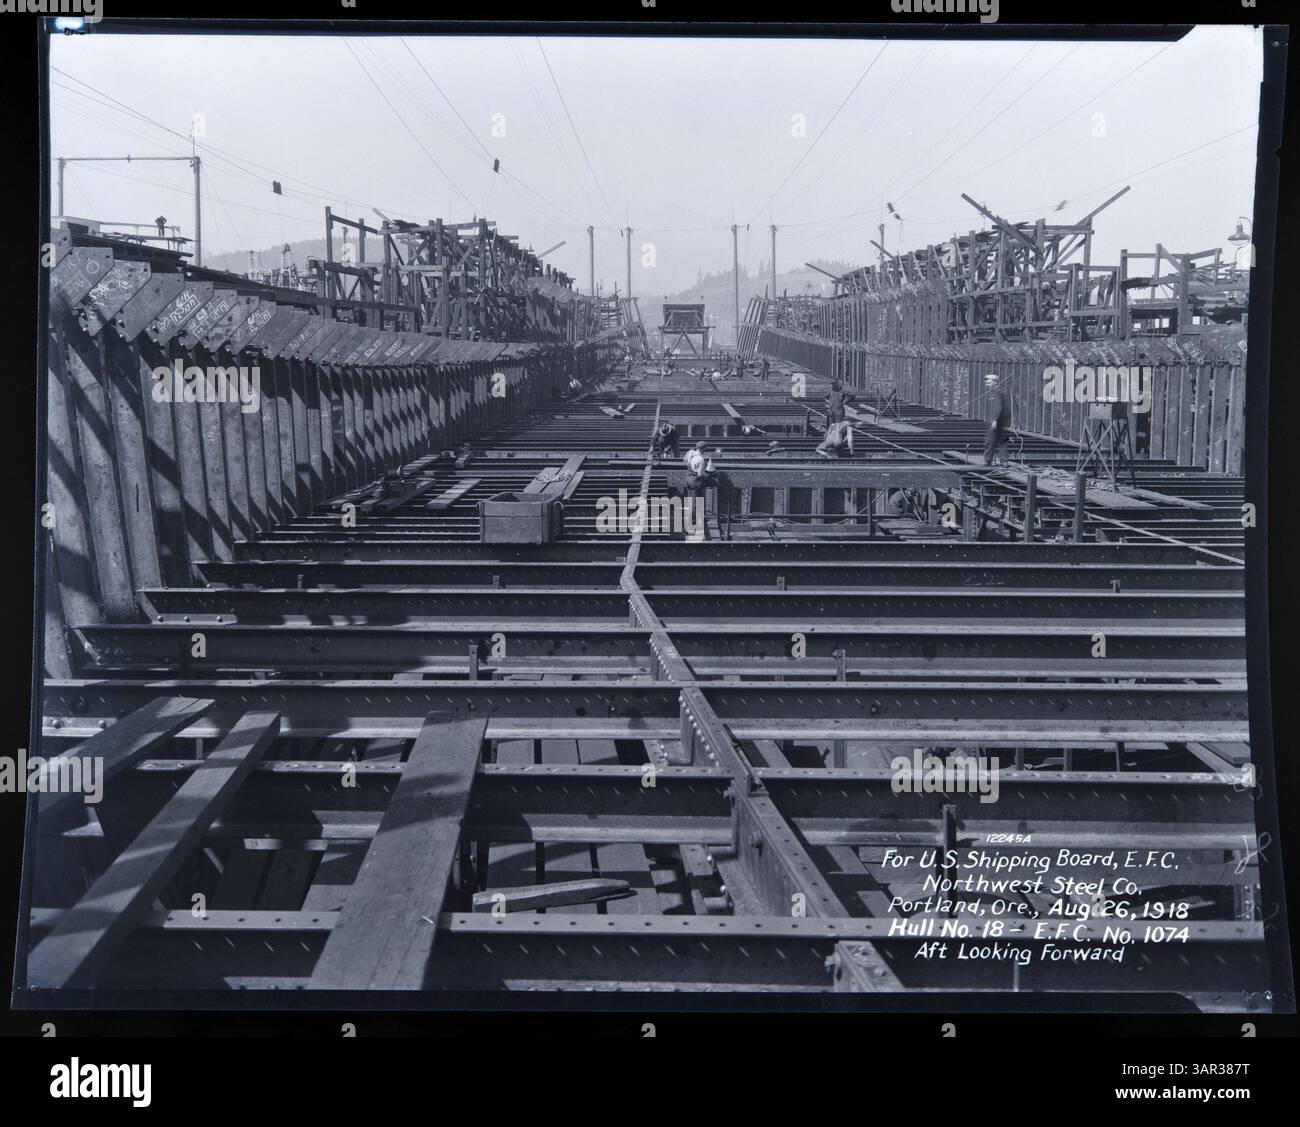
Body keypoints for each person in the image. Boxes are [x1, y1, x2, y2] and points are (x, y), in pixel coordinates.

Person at [983, 373, 1012, 466]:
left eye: (989, 380)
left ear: (995, 382)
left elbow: (999, 407)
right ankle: (1004, 461)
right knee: (1001, 441)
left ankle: (988, 461)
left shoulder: (998, 392)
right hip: (999, 421)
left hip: (997, 421)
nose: (987, 382)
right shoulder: (995, 392)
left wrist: (995, 420)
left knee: (990, 440)